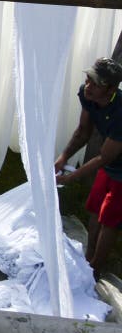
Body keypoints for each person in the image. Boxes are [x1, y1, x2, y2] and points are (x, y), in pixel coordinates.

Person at [56, 56, 122, 275]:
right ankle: (89, 256)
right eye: (88, 79)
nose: (89, 86)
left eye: (96, 84)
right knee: (95, 207)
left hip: (117, 166)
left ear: (111, 89)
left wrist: (70, 178)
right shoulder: (88, 95)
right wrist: (64, 157)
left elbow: (105, 157)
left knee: (110, 218)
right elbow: (83, 130)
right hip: (110, 163)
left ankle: (96, 268)